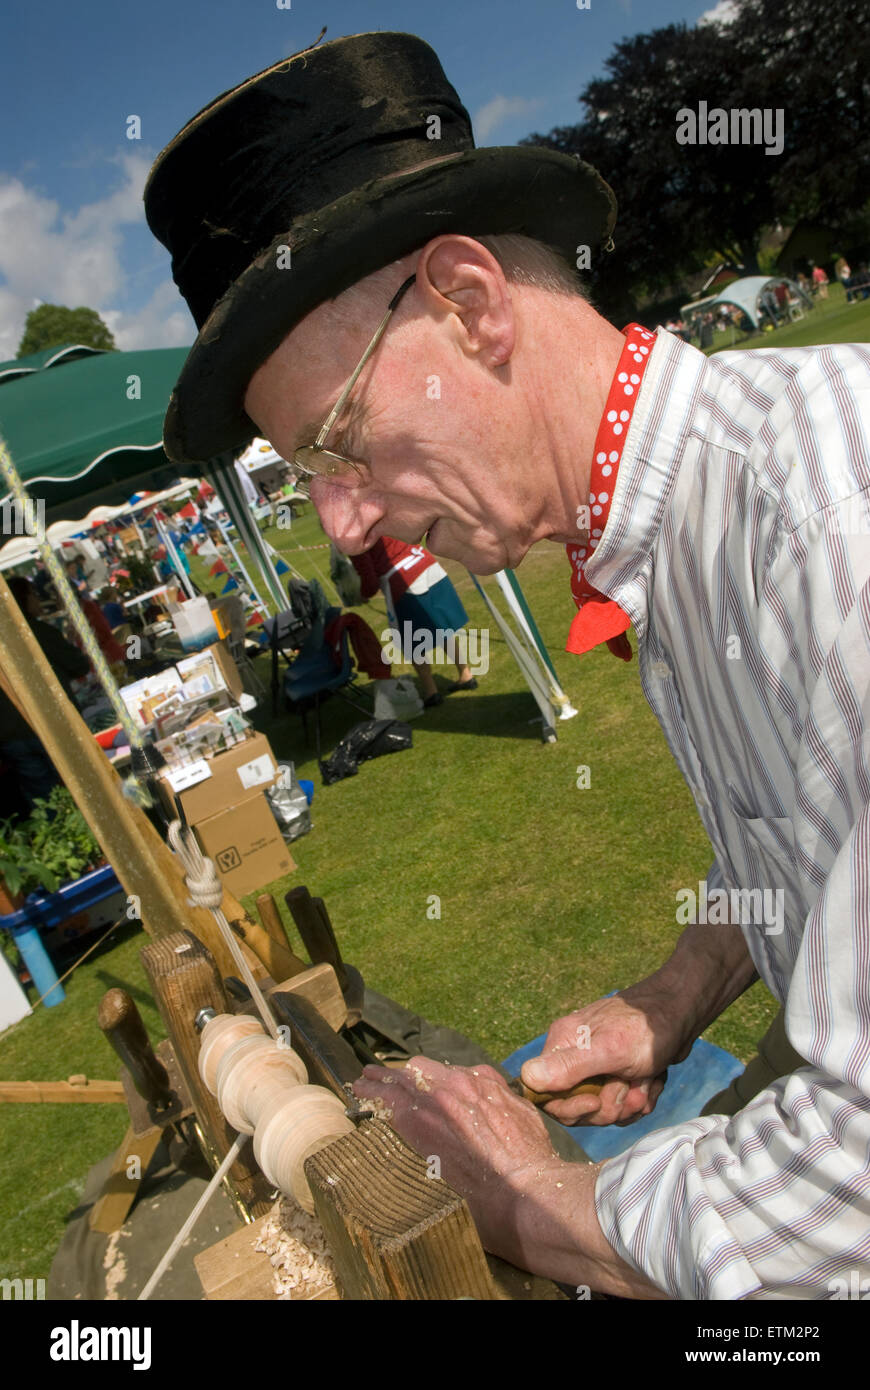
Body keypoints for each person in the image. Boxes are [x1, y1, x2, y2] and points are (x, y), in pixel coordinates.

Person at [145, 33, 870, 1300]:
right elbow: (796, 844)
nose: (345, 528)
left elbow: (851, 1192)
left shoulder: (830, 524)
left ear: (471, 303)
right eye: (308, 480)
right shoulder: (676, 523)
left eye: (336, 445)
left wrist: (527, 1199)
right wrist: (674, 995)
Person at [350, 538, 476, 707]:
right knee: (442, 625)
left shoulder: (351, 537)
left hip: (402, 580)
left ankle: (431, 691)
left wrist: (360, 595)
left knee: (411, 642)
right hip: (425, 562)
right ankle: (465, 673)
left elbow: (370, 582)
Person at [0, 576, 90, 809]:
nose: (39, 600)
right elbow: (77, 664)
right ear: (23, 599)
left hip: (12, 735)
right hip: (51, 723)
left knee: (47, 803)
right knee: (85, 787)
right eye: (34, 595)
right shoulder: (35, 631)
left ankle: (70, 837)